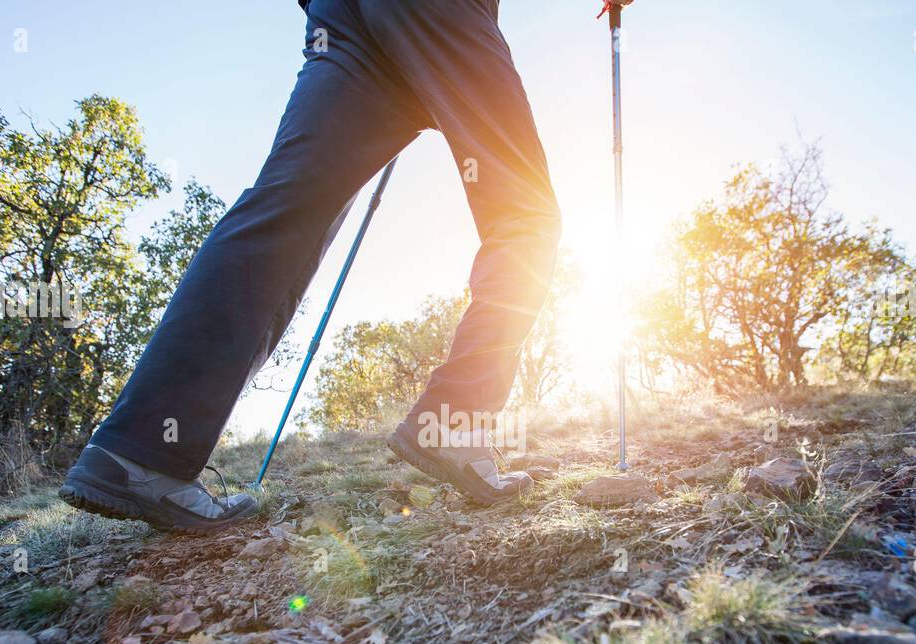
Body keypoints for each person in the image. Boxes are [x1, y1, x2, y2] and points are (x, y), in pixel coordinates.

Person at [60, 0, 563, 531]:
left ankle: (143, 453)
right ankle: (453, 423)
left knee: (284, 211)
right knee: (526, 214)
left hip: (343, 18)